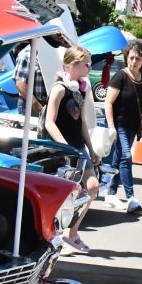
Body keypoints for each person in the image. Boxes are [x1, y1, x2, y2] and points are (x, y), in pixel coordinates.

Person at [43, 46, 101, 254]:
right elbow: (50, 122)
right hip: (61, 149)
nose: (89, 67)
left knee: (93, 186)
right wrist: (64, 147)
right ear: (74, 64)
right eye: (86, 63)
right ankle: (56, 234)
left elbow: (82, 122)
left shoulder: (82, 89)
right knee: (65, 193)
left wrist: (91, 148)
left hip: (78, 146)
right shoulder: (59, 89)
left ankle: (72, 232)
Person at [103, 41, 142, 214]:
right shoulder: (120, 77)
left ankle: (110, 194)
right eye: (131, 58)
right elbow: (108, 102)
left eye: (138, 59)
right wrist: (111, 127)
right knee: (126, 156)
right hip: (119, 124)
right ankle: (131, 197)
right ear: (126, 58)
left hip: (133, 126)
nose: (133, 61)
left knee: (117, 160)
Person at [14, 42, 48, 117]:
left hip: (48, 105)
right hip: (33, 107)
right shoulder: (26, 55)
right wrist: (36, 104)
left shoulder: (51, 52)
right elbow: (20, 83)